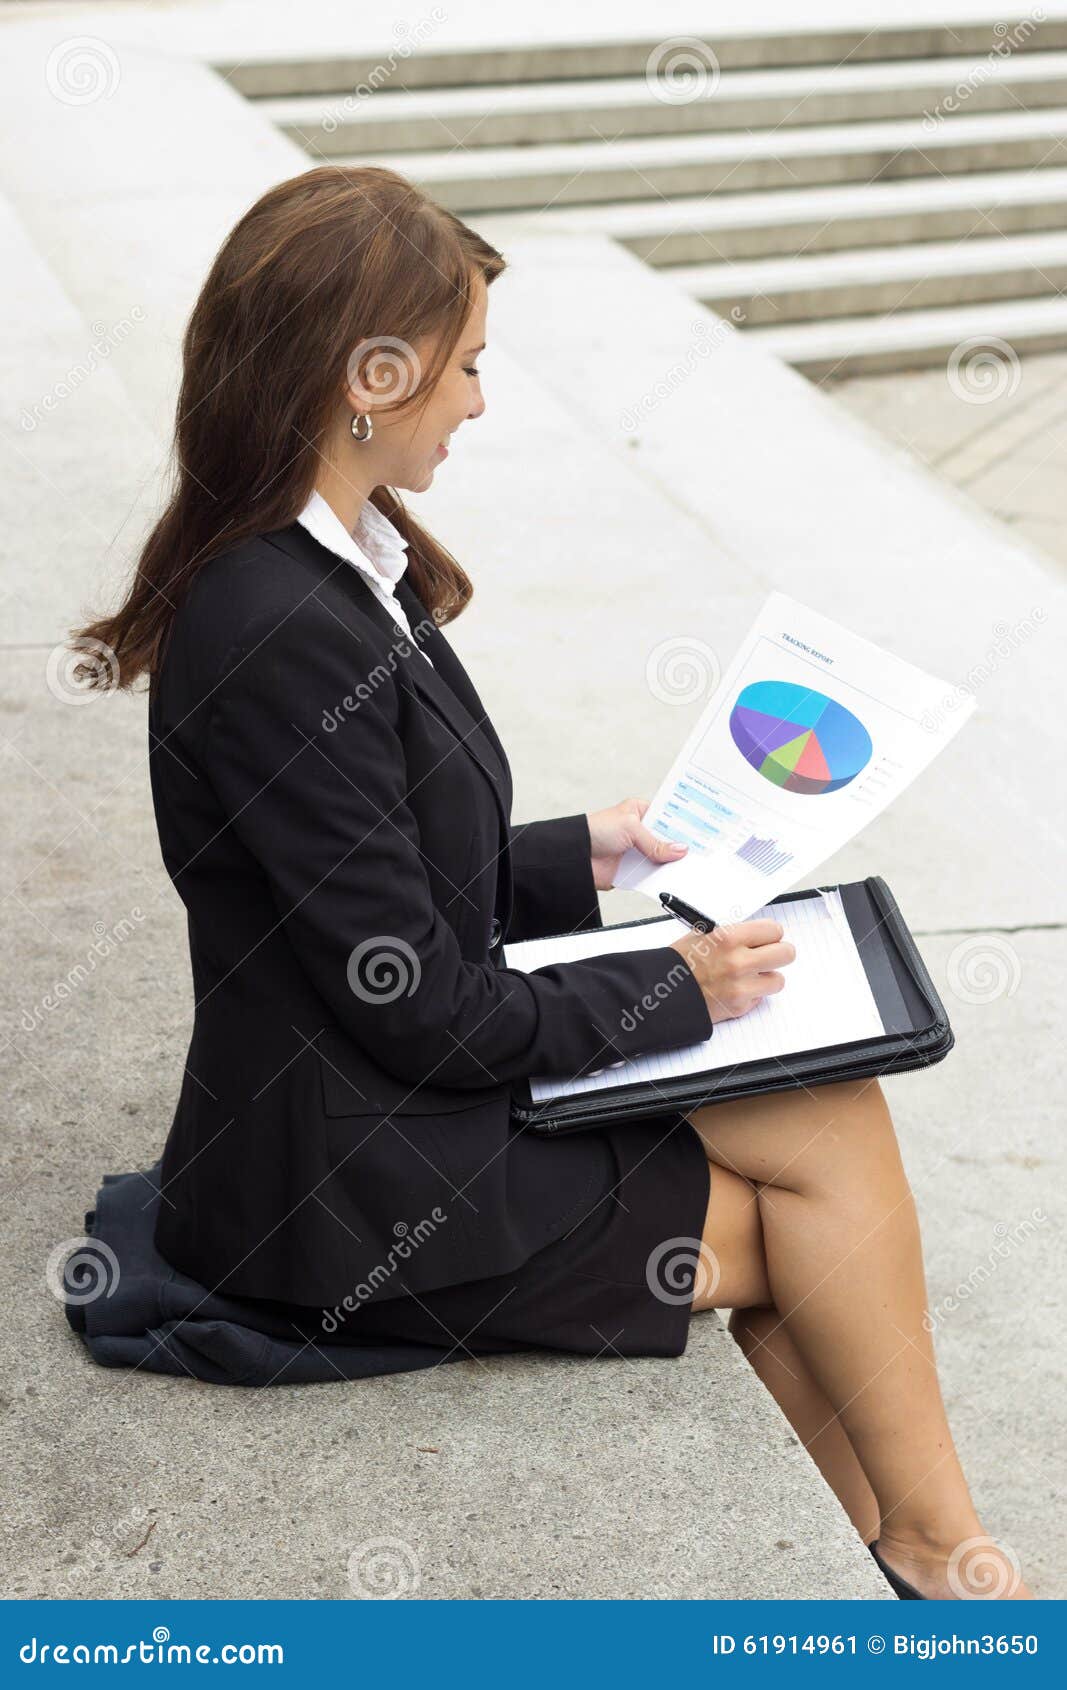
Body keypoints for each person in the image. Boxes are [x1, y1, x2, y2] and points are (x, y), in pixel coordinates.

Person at [69, 164, 1031, 1601]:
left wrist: (586, 855)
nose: (476, 400)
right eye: (463, 367)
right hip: (343, 1185)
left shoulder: (333, 563)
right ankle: (944, 1565)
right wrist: (674, 986)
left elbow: (369, 879)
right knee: (796, 1209)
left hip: (369, 1102)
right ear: (366, 379)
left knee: (823, 1110)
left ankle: (922, 1556)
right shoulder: (278, 625)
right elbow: (417, 1007)